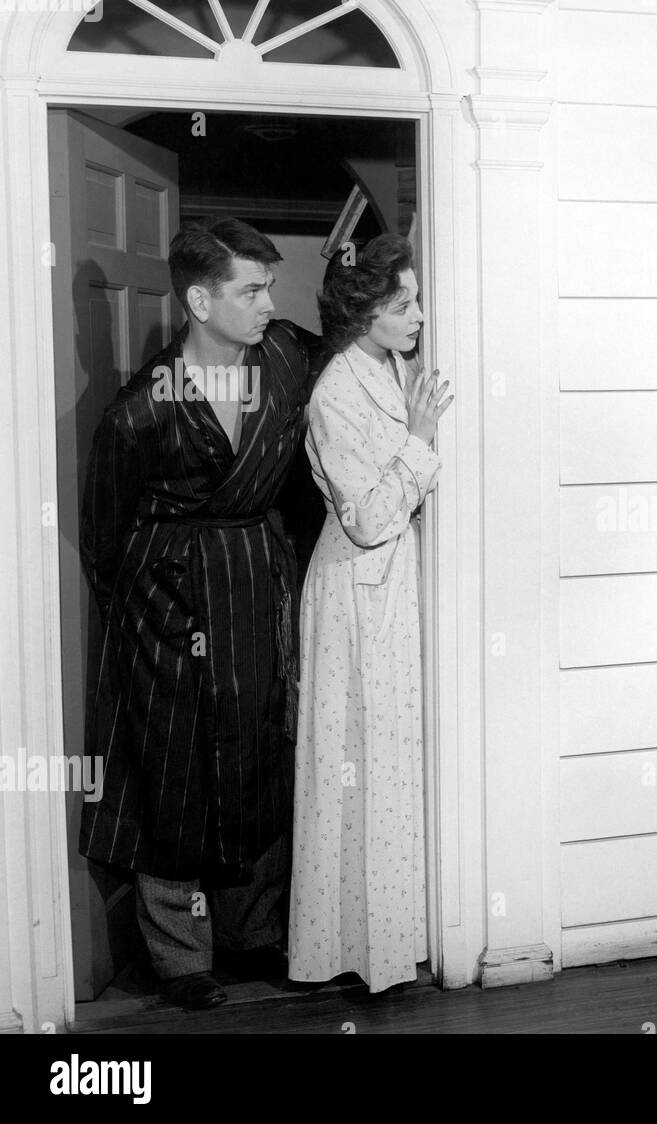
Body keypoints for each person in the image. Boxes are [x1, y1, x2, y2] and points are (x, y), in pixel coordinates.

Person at [80, 217, 319, 1009]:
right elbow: (104, 538)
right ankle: (180, 958)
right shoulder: (139, 410)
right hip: (166, 601)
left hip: (254, 577)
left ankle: (254, 935)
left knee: (259, 753)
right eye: (250, 289)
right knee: (174, 770)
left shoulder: (284, 356)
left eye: (267, 287)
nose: (267, 303)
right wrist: (151, 608)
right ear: (198, 299)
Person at [288, 234, 451, 993]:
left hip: (393, 590)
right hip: (355, 593)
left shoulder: (395, 366)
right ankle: (341, 950)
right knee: (352, 772)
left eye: (415, 299)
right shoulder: (333, 393)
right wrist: (419, 444)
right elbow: (370, 516)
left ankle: (390, 941)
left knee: (389, 769)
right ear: (362, 312)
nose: (418, 314)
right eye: (402, 304)